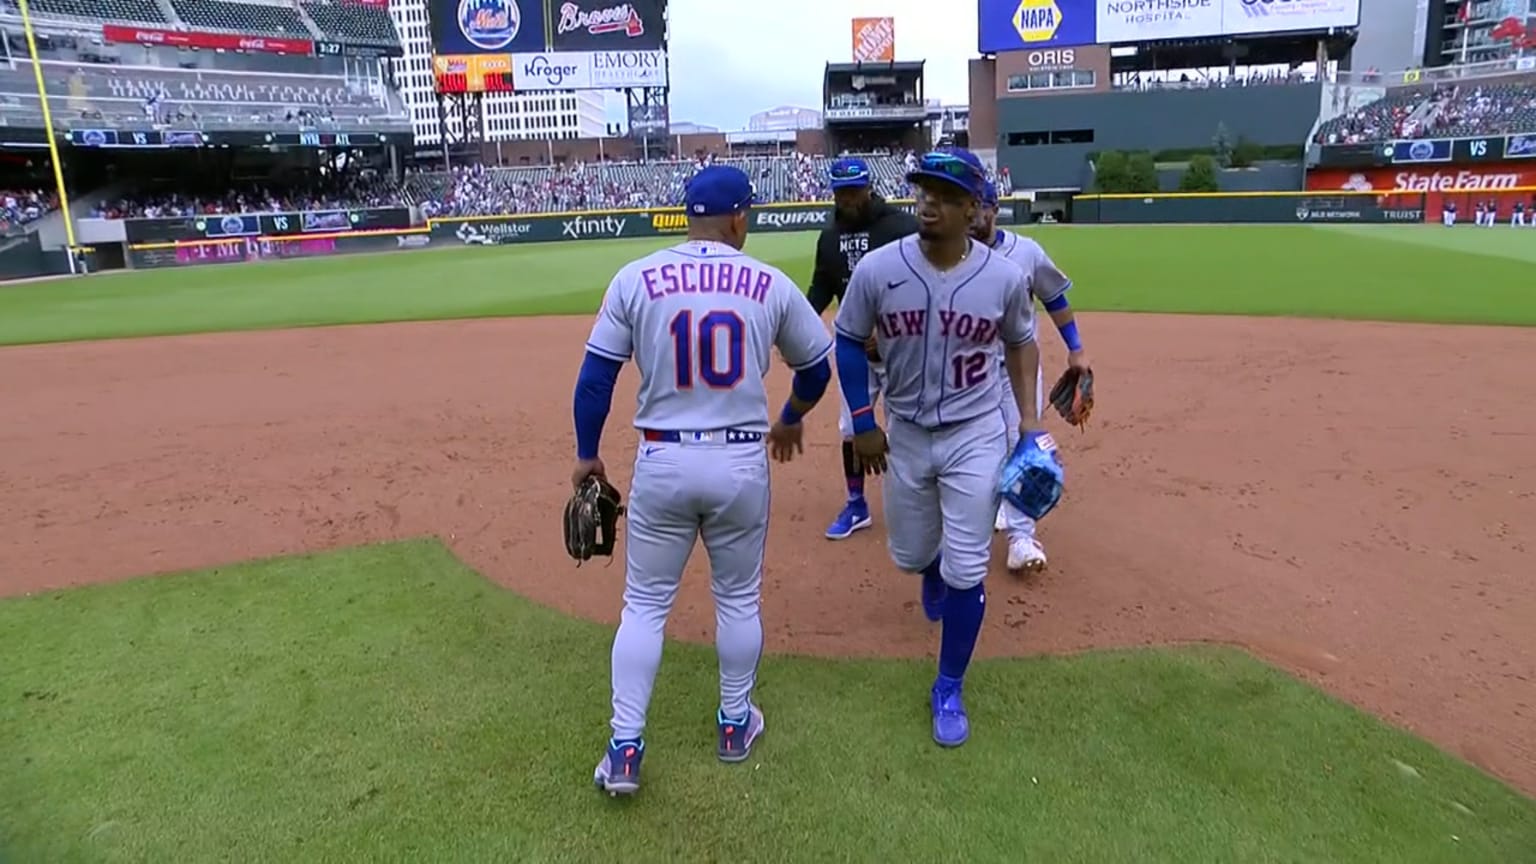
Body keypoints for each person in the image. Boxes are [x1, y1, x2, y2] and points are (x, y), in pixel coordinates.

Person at [572, 164, 834, 795]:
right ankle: (734, 724)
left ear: (688, 215)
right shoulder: (767, 282)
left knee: (643, 607)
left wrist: (587, 456)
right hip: (741, 461)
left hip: (662, 460)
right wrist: (790, 415)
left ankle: (626, 749)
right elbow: (818, 369)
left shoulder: (637, 277)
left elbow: (595, 380)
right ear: (740, 217)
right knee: (738, 600)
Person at [832, 148, 1042, 747]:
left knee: (968, 567)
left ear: (973, 208)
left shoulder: (1003, 278)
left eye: (946, 195)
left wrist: (1026, 422)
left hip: (976, 433)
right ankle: (930, 569)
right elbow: (846, 340)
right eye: (924, 191)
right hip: (906, 431)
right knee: (910, 553)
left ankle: (948, 685)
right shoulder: (878, 268)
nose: (929, 202)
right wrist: (863, 417)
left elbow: (1022, 345)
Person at [970, 180, 1087, 573]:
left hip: (1017, 370)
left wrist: (1076, 349)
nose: (972, 216)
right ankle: (984, 514)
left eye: (979, 208)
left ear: (993, 207)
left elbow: (1056, 300)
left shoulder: (1026, 252)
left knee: (1023, 442)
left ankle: (1021, 538)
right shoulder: (953, 255)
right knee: (978, 449)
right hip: (968, 374)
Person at [805, 157, 919, 540]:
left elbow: (925, 283)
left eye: (854, 191)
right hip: (855, 349)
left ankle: (918, 502)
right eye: (840, 192)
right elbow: (822, 287)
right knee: (852, 427)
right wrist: (798, 326)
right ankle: (856, 504)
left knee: (913, 425)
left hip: (904, 347)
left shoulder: (902, 227)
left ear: (869, 187)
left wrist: (888, 328)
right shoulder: (829, 236)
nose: (847, 199)